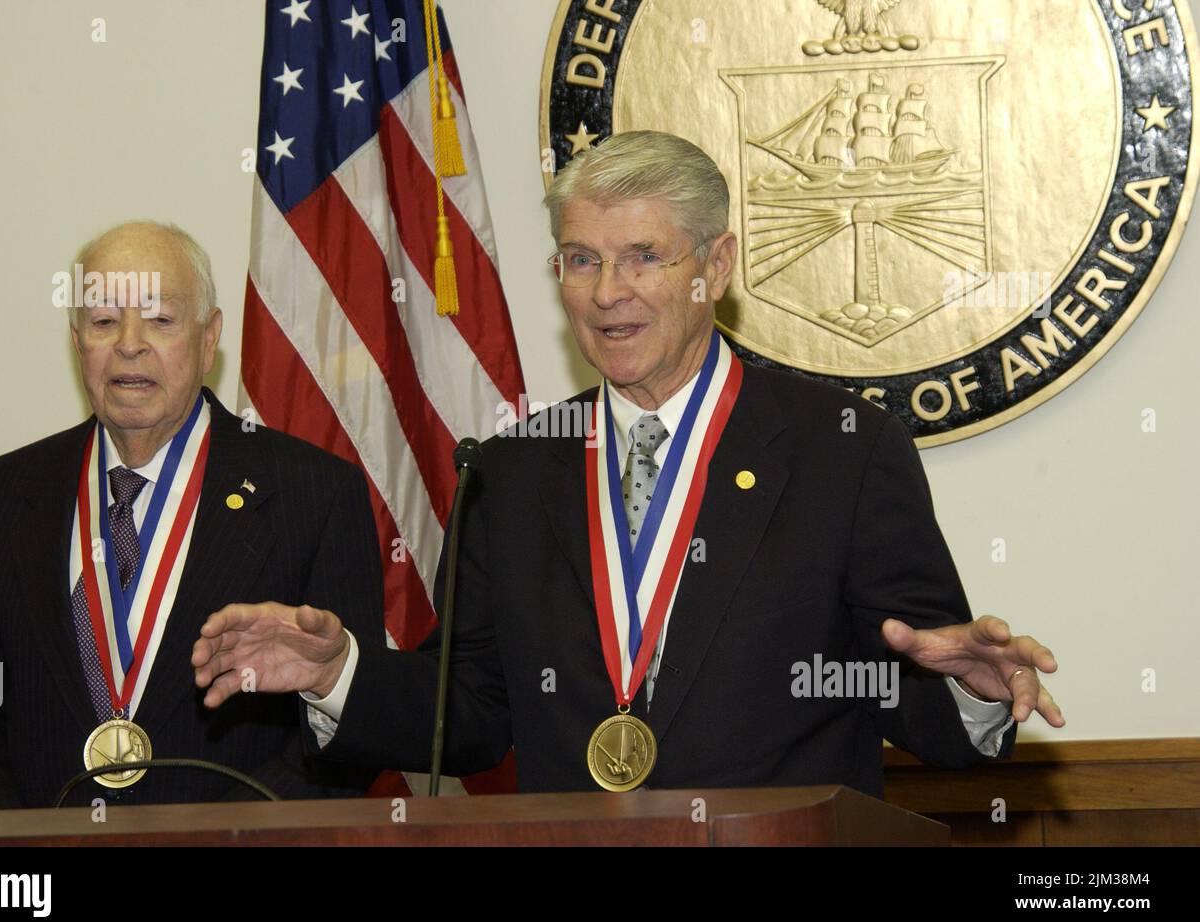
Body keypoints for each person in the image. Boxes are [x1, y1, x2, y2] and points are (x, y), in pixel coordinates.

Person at [193, 132, 1064, 797]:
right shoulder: (510, 471)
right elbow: (470, 712)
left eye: (644, 256)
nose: (608, 291)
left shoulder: (841, 448)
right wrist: (337, 671)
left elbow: (912, 683)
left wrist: (975, 693)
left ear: (715, 266)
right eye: (581, 260)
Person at [0, 221, 381, 808]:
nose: (129, 344)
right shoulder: (3, 495)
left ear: (209, 337)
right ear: (76, 340)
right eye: (104, 321)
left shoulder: (314, 494)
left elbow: (351, 729)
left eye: (161, 320)